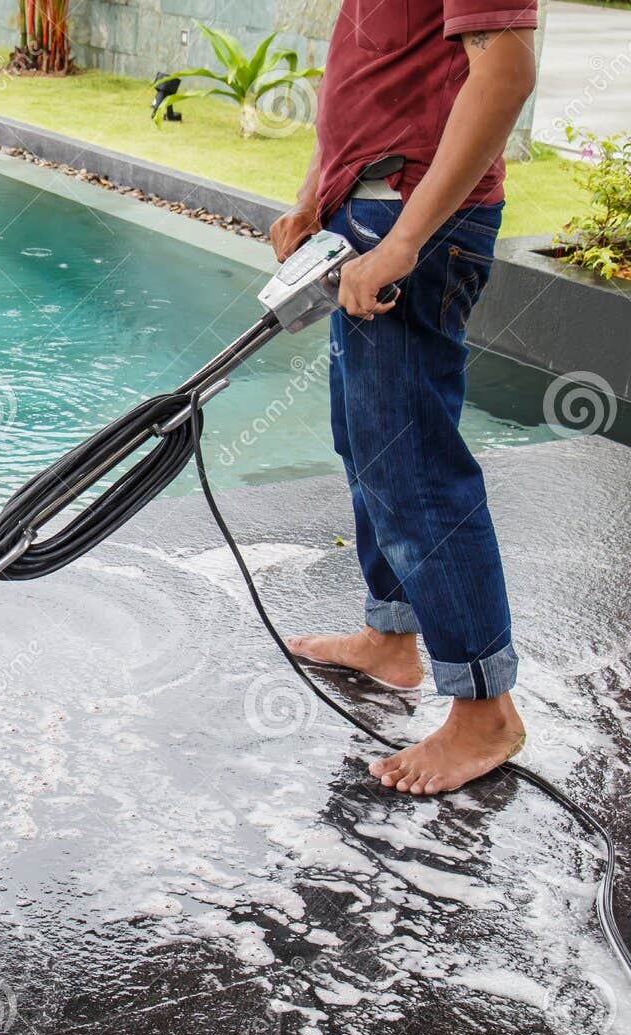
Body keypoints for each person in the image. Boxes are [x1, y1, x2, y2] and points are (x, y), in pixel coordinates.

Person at [268, 0, 539, 795]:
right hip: (365, 214)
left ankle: (486, 713)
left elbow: (506, 69)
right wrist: (315, 194)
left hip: (414, 222)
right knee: (368, 445)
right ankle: (391, 639)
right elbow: (380, 78)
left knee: (414, 465)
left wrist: (405, 241)